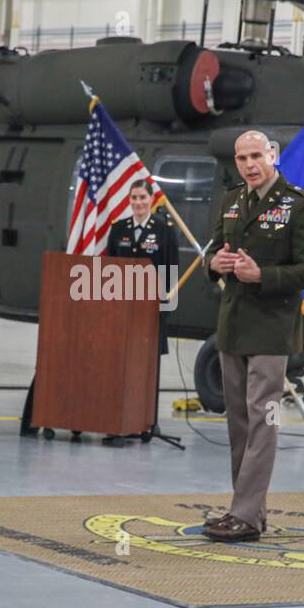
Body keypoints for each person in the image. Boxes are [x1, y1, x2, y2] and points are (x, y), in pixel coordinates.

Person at [203, 130, 304, 542]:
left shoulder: (299, 204)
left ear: (272, 155)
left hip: (271, 330)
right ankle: (249, 512)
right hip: (233, 326)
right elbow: (214, 251)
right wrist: (213, 263)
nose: (250, 165)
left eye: (256, 156)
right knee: (238, 422)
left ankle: (244, 513)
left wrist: (263, 275)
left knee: (262, 422)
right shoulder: (234, 199)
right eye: (242, 158)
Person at [105, 179, 180, 444]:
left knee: (145, 371)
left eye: (142, 197)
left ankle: (146, 421)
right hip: (122, 313)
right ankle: (119, 419)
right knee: (120, 368)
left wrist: (164, 312)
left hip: (150, 314)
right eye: (133, 198)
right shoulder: (118, 229)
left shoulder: (163, 230)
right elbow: (109, 270)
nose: (138, 203)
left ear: (151, 199)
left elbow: (171, 272)